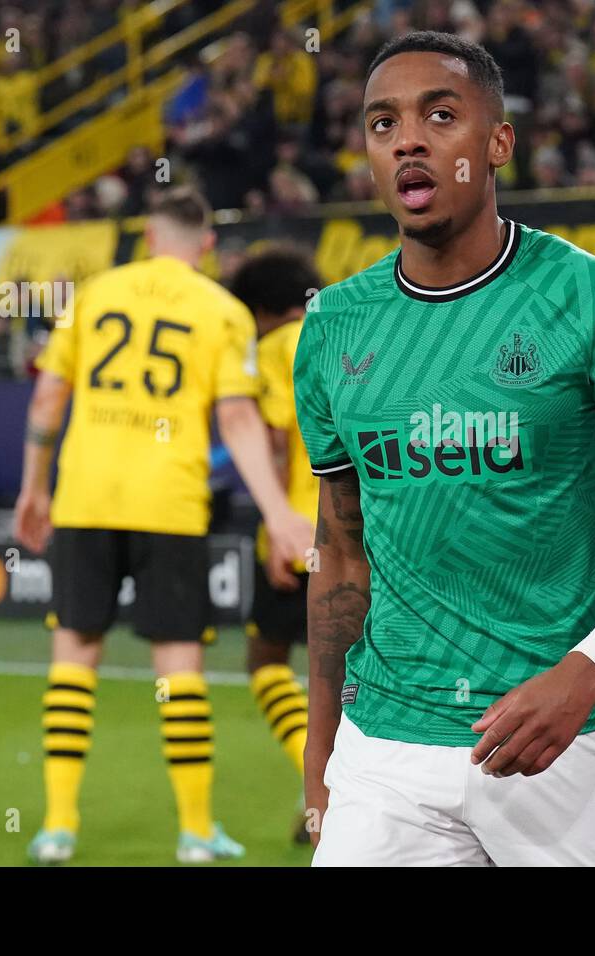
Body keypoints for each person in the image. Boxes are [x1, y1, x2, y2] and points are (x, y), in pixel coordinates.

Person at [299, 32, 595, 866]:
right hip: (388, 753)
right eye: (383, 124)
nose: (409, 140)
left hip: (582, 744)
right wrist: (322, 752)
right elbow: (341, 556)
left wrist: (585, 673)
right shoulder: (331, 326)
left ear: (499, 144)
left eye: (441, 115)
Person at [13, 187, 314, 865]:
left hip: (85, 496)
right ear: (205, 245)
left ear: (148, 239)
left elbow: (48, 395)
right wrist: (277, 512)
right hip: (169, 504)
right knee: (180, 668)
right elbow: (239, 421)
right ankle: (196, 831)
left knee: (74, 658)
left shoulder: (96, 296)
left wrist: (33, 487)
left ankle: (57, 827)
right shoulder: (221, 311)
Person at [227, 244, 322, 844]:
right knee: (350, 672)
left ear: (260, 310)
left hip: (302, 529)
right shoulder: (343, 330)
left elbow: (279, 439)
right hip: (368, 531)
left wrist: (274, 529)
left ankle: (320, 779)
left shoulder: (273, 349)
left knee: (265, 661)